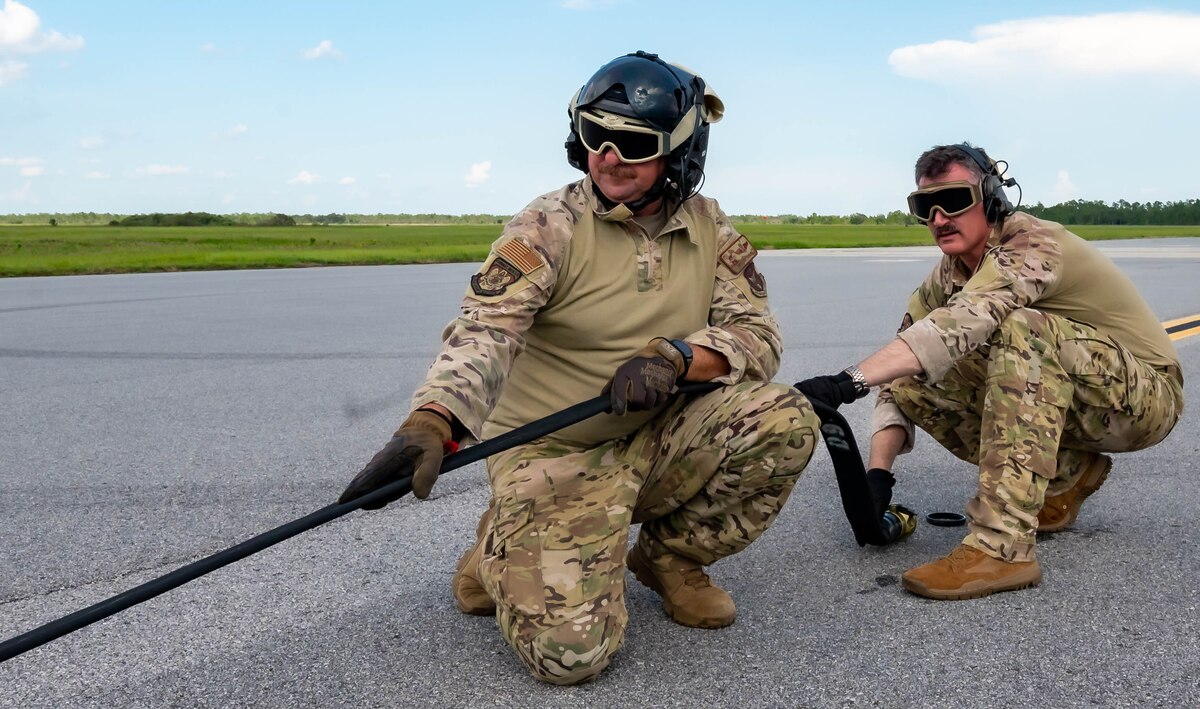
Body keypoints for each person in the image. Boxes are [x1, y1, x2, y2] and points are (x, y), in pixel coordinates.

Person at [338, 51, 819, 685]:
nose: (609, 157)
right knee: (571, 658)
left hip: (658, 433)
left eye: (633, 143)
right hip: (554, 453)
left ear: (679, 152)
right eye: (596, 135)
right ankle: (496, 551)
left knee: (784, 419)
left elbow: (756, 335)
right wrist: (433, 420)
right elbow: (486, 331)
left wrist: (679, 359)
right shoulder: (547, 225)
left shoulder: (712, 228)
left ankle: (668, 561)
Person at [797, 143, 1184, 601]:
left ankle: (1001, 548)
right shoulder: (947, 276)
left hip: (1146, 395)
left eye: (955, 200)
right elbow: (900, 372)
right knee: (907, 373)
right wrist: (877, 477)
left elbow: (963, 322)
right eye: (925, 206)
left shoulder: (1032, 244)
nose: (939, 217)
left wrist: (845, 382)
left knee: (1020, 330)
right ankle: (1067, 474)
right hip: (1084, 395)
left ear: (992, 197)